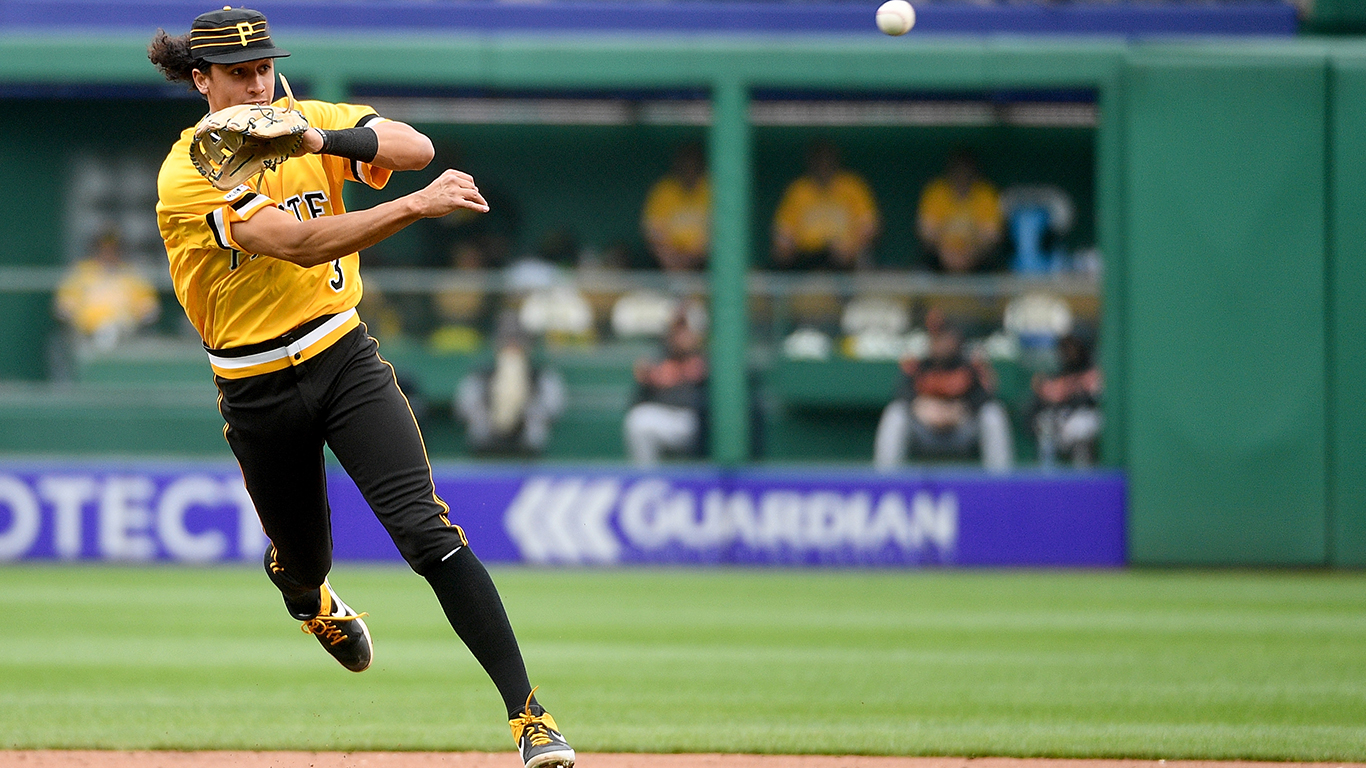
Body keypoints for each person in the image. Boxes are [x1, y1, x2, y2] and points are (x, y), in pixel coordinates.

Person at [148, 9, 573, 768]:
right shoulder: (190, 170)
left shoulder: (308, 120)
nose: (258, 82)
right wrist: (415, 204)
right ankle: (306, 594)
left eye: (264, 67)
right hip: (254, 388)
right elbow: (296, 244)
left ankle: (530, 718)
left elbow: (416, 146)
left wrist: (323, 140)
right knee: (306, 556)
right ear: (200, 79)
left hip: (342, 357)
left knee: (427, 533)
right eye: (239, 73)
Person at [873, 311, 1013, 472]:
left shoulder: (970, 365)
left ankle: (1001, 482)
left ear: (955, 339)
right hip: (925, 432)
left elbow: (987, 397)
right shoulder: (918, 365)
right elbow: (900, 393)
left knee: (992, 414)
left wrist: (959, 410)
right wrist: (921, 407)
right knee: (895, 413)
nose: (940, 343)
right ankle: (885, 480)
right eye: (935, 337)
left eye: (944, 337)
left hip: (960, 431)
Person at [456, 312, 566, 456]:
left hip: (526, 434)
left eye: (517, 341)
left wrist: (528, 410)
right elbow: (465, 405)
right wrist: (486, 411)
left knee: (536, 431)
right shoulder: (482, 373)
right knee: (478, 429)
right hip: (488, 435)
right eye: (507, 340)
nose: (512, 345)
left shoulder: (540, 374)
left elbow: (553, 405)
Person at [771, 140, 880, 271]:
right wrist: (785, 246)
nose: (823, 164)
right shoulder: (799, 189)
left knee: (846, 258)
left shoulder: (851, 186)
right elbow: (783, 230)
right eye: (818, 159)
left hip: (842, 254)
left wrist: (851, 247)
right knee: (778, 263)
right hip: (806, 254)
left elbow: (869, 226)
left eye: (827, 158)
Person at [54, 228, 161, 353]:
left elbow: (149, 307)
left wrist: (144, 312)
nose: (108, 253)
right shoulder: (82, 272)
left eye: (113, 248)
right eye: (104, 248)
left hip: (125, 336)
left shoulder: (132, 274)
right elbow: (64, 305)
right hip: (87, 334)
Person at [624, 313, 708, 466]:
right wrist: (647, 381)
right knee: (638, 420)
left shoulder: (703, 359)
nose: (680, 336)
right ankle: (647, 478)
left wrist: (674, 375)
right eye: (677, 331)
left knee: (640, 420)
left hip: (690, 423)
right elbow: (635, 403)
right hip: (662, 419)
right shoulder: (661, 357)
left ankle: (647, 478)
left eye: (685, 331)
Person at [916, 150, 1004, 274]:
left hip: (976, 257)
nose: (962, 174)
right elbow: (926, 232)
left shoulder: (984, 193)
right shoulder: (937, 191)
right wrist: (946, 251)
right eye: (958, 169)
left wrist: (972, 251)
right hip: (941, 255)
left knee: (993, 270)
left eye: (966, 170)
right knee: (922, 268)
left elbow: (992, 235)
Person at [1029, 333, 1102, 467]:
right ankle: (1047, 473)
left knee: (1078, 426)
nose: (1068, 351)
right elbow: (1049, 399)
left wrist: (1072, 388)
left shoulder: (1093, 369)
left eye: (1071, 346)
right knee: (1046, 423)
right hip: (1064, 417)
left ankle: (1083, 476)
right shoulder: (1063, 371)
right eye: (1065, 347)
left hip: (1087, 417)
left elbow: (1092, 399)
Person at [641, 142, 710, 272]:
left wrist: (691, 258)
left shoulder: (711, 189)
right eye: (685, 166)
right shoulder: (664, 190)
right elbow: (653, 232)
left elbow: (717, 233)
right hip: (667, 263)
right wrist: (671, 259)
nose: (689, 170)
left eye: (693, 166)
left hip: (703, 264)